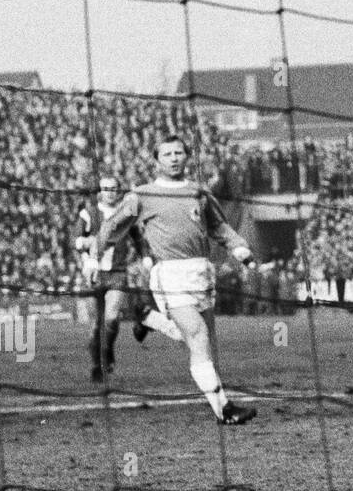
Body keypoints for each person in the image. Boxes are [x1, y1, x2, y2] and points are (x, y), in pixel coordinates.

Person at [98, 135, 257, 425]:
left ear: (187, 157)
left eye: (178, 153)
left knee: (201, 342)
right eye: (167, 154)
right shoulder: (142, 195)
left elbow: (219, 226)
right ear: (156, 161)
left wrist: (238, 247)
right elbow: (113, 226)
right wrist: (97, 248)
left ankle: (150, 319)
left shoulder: (199, 193)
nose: (173, 158)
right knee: (198, 335)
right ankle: (225, 410)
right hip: (169, 273)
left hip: (202, 272)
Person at [73, 176, 181, 383]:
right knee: (96, 325)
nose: (110, 192)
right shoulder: (88, 213)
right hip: (93, 276)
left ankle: (108, 354)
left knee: (112, 318)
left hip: (117, 273)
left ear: (119, 192)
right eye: (106, 189)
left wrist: (146, 256)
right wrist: (85, 258)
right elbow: (75, 240)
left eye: (114, 189)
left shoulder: (126, 213)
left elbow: (138, 239)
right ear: (99, 192)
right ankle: (97, 364)